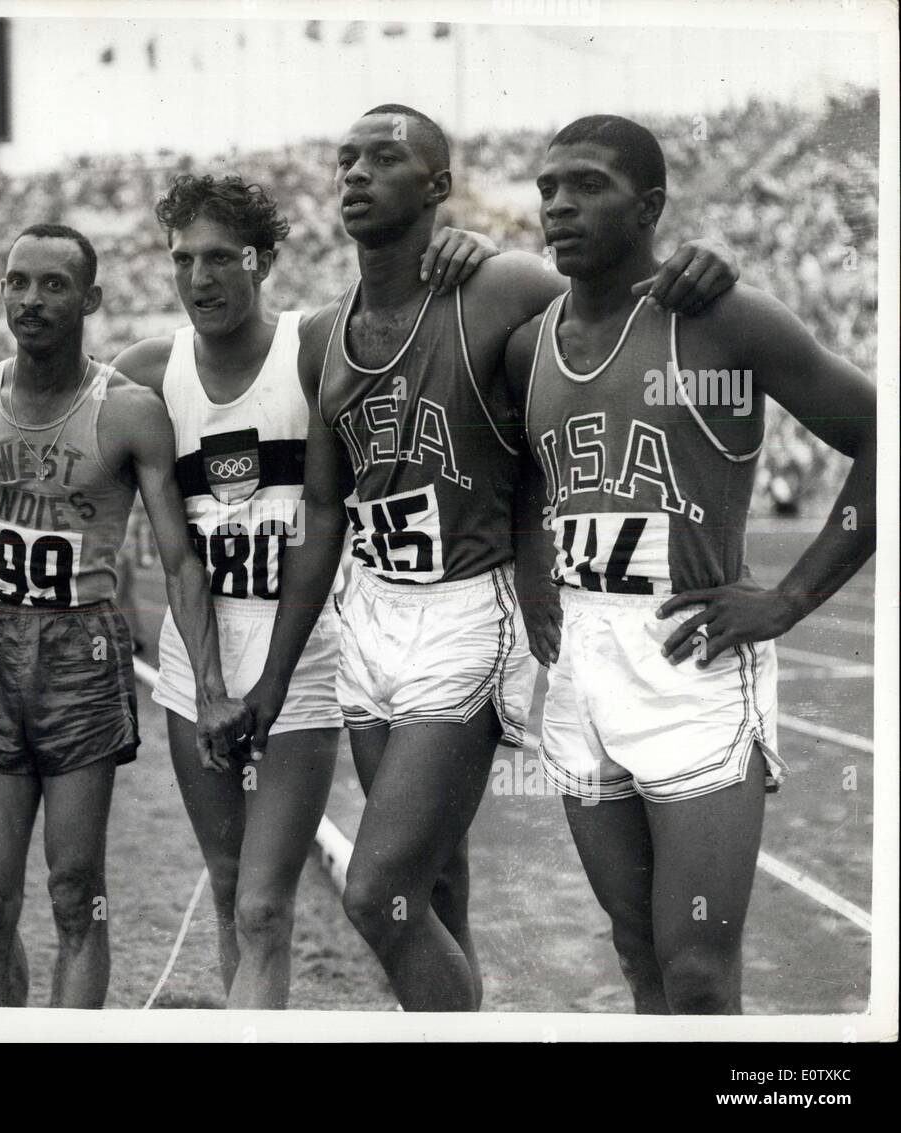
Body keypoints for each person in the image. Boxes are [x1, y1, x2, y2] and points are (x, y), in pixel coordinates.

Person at [242, 104, 739, 1011]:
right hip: (372, 614)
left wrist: (705, 267)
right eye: (344, 158)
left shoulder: (502, 285)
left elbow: (621, 306)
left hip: (472, 609)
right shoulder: (318, 335)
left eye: (383, 160)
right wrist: (276, 681)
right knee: (431, 887)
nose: (354, 174)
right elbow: (323, 512)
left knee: (375, 895)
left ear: (437, 190)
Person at [504, 114, 875, 1014]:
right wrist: (532, 576)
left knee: (700, 973)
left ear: (652, 205)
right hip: (584, 668)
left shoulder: (720, 320)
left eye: (588, 184)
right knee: (638, 953)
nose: (559, 204)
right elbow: (520, 478)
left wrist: (789, 599)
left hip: (692, 662)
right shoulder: (525, 347)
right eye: (548, 186)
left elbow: (882, 435)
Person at [111, 173, 497, 1007]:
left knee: (264, 902)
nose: (201, 278)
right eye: (183, 259)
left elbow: (429, 326)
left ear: (263, 261)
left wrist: (478, 254)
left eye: (221, 258)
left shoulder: (316, 347)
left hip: (308, 658)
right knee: (227, 888)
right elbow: (51, 385)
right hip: (196, 667)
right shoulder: (147, 371)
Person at [0, 224, 249, 1008]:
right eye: (17, 282)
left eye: (52, 284)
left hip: (85, 652)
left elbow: (179, 561)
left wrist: (209, 688)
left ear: (91, 299)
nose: (30, 299)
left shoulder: (130, 412)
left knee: (76, 892)